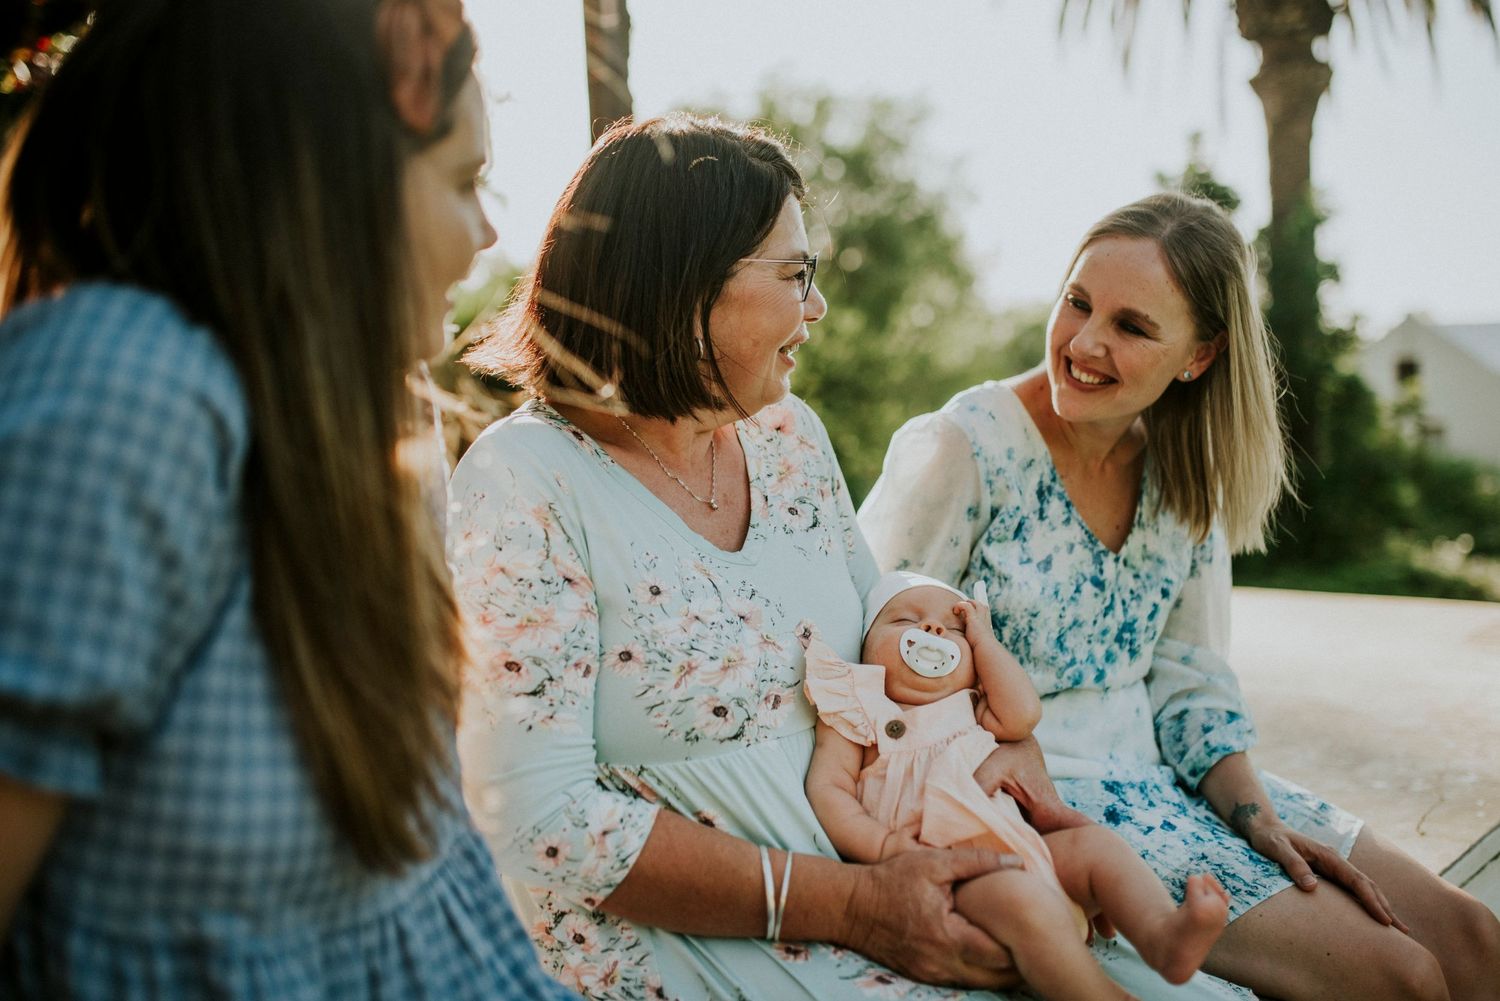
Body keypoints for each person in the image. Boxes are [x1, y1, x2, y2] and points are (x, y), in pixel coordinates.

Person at [452, 115, 1256, 1000]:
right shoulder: (525, 477)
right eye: (795, 277)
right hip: (689, 945)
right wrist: (855, 905)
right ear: (680, 281)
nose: (817, 307)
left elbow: (889, 626)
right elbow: (538, 817)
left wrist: (1000, 737)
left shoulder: (790, 436)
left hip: (898, 883)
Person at [0, 2, 572, 998]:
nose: (486, 233)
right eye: (462, 180)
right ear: (321, 185)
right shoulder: (128, 390)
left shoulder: (353, 426)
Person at [859, 191, 1500, 1001]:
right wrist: (985, 739)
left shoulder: (1184, 468)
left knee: (1474, 939)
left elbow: (1192, 680)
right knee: (1401, 978)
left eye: (1131, 326)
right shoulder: (962, 448)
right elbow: (872, 645)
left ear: (1199, 356)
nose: (1085, 343)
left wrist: (1252, 813)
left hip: (1172, 778)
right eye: (1078, 303)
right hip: (1052, 799)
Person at [802, 571, 1230, 1001]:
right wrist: (882, 848)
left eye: (954, 630)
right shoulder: (860, 708)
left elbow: (1025, 715)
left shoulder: (975, 706)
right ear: (864, 647)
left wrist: (984, 639)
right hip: (944, 873)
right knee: (1022, 900)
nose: (931, 630)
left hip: (1023, 850)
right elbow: (830, 790)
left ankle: (1163, 934)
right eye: (903, 621)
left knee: (1099, 846)